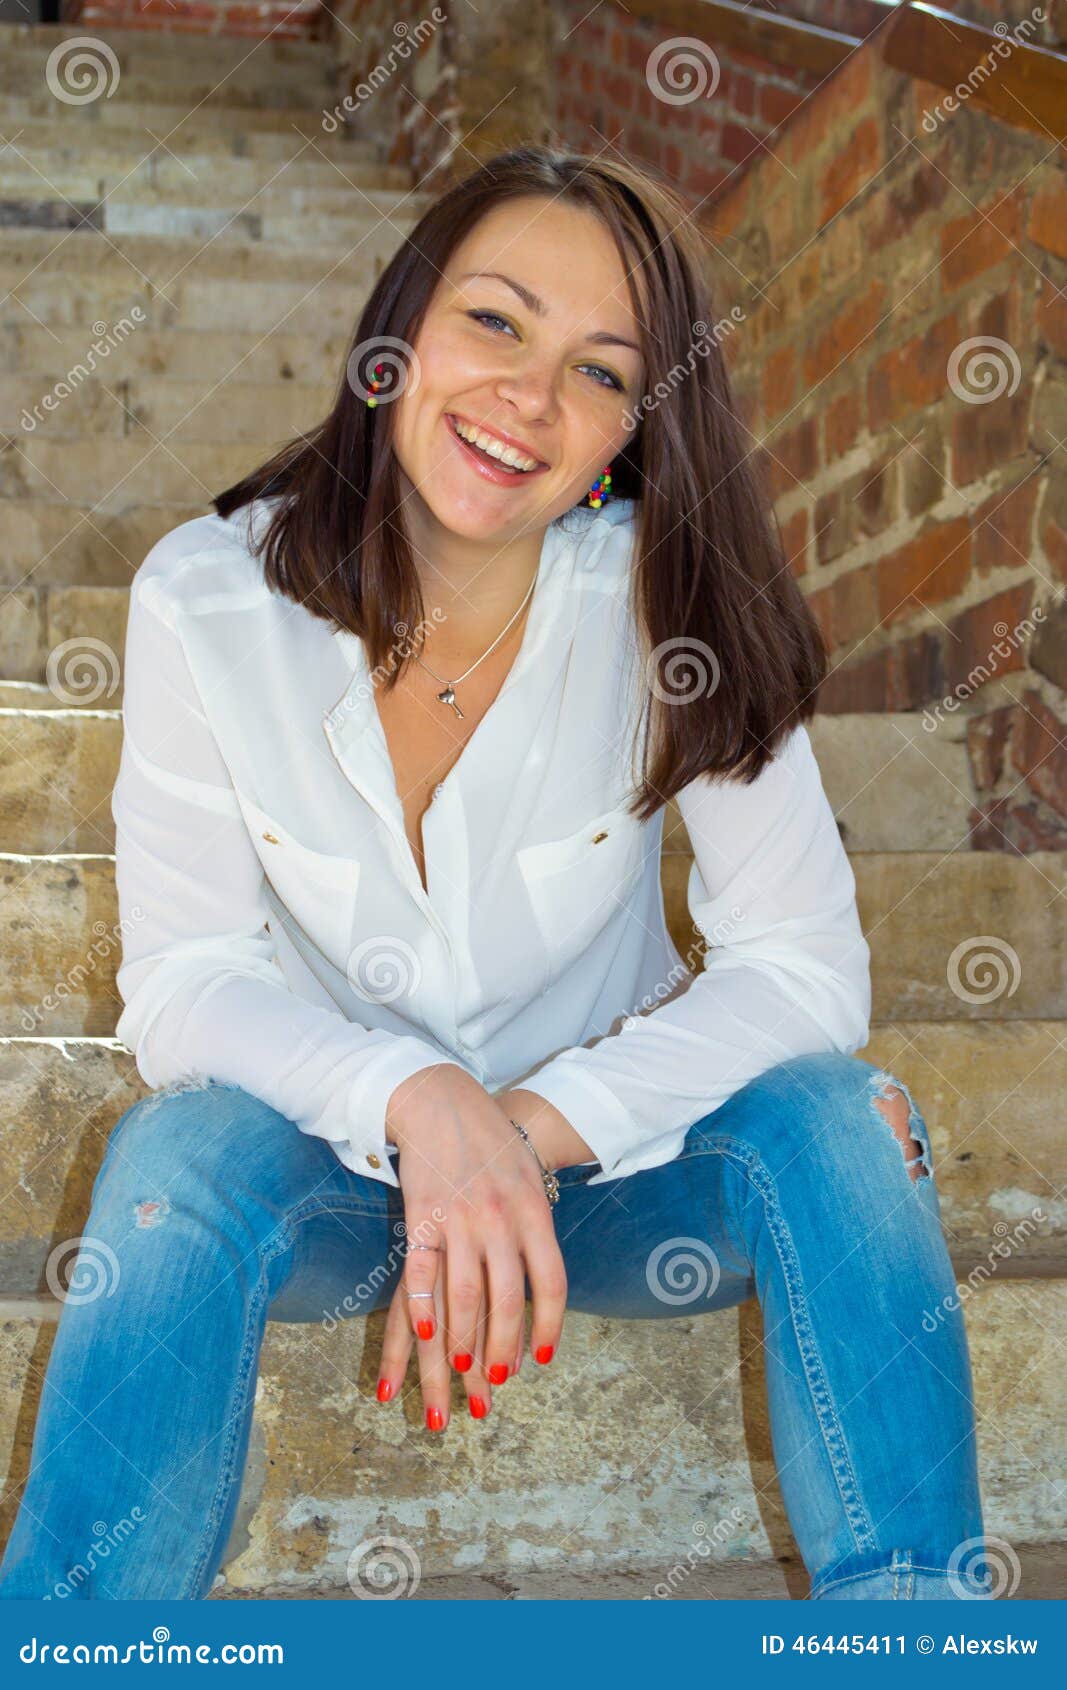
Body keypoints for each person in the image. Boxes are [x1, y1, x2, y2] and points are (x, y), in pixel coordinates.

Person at [0, 147, 990, 1602]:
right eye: (495, 321)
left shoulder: (673, 600)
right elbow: (183, 983)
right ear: (400, 334)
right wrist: (418, 1103)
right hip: (338, 1177)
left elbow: (804, 968)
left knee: (849, 1120)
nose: (529, 397)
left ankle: (912, 1629)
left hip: (623, 1176)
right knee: (173, 1157)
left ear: (632, 433)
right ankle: (77, 1641)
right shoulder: (207, 599)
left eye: (600, 372)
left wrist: (522, 1127)